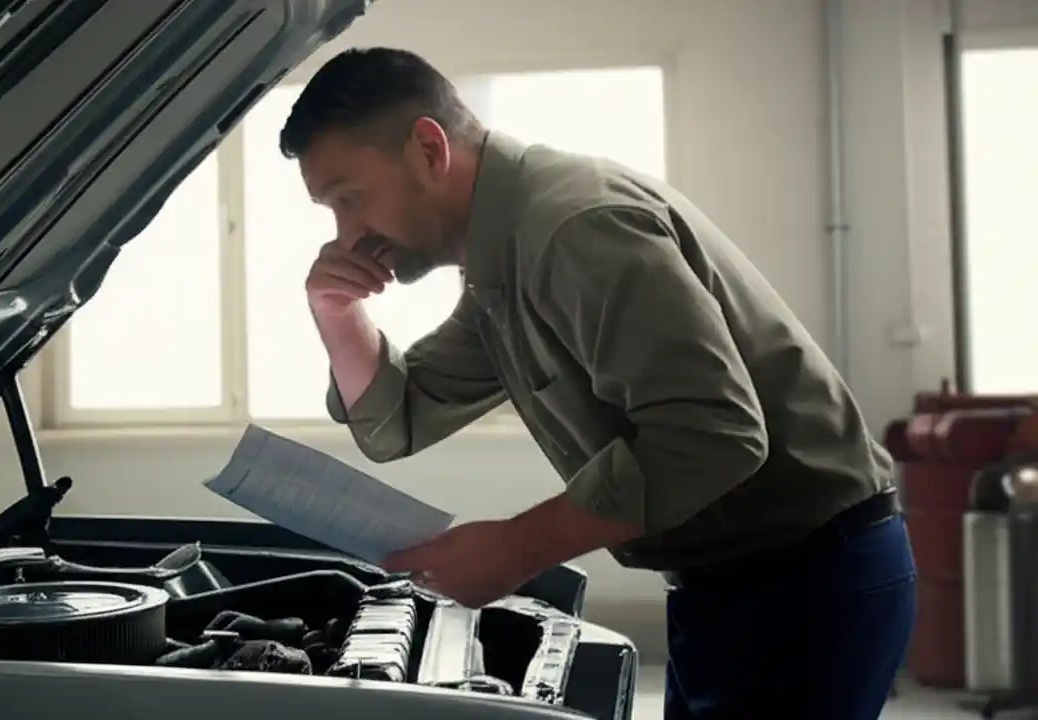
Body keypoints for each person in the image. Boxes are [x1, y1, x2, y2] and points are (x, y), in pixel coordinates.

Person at [279, 47, 916, 719]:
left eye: (351, 199)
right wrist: (337, 311)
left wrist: (516, 548)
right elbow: (398, 418)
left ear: (429, 150)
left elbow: (712, 433)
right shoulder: (504, 261)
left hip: (803, 581)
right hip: (732, 584)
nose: (347, 237)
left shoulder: (572, 228)